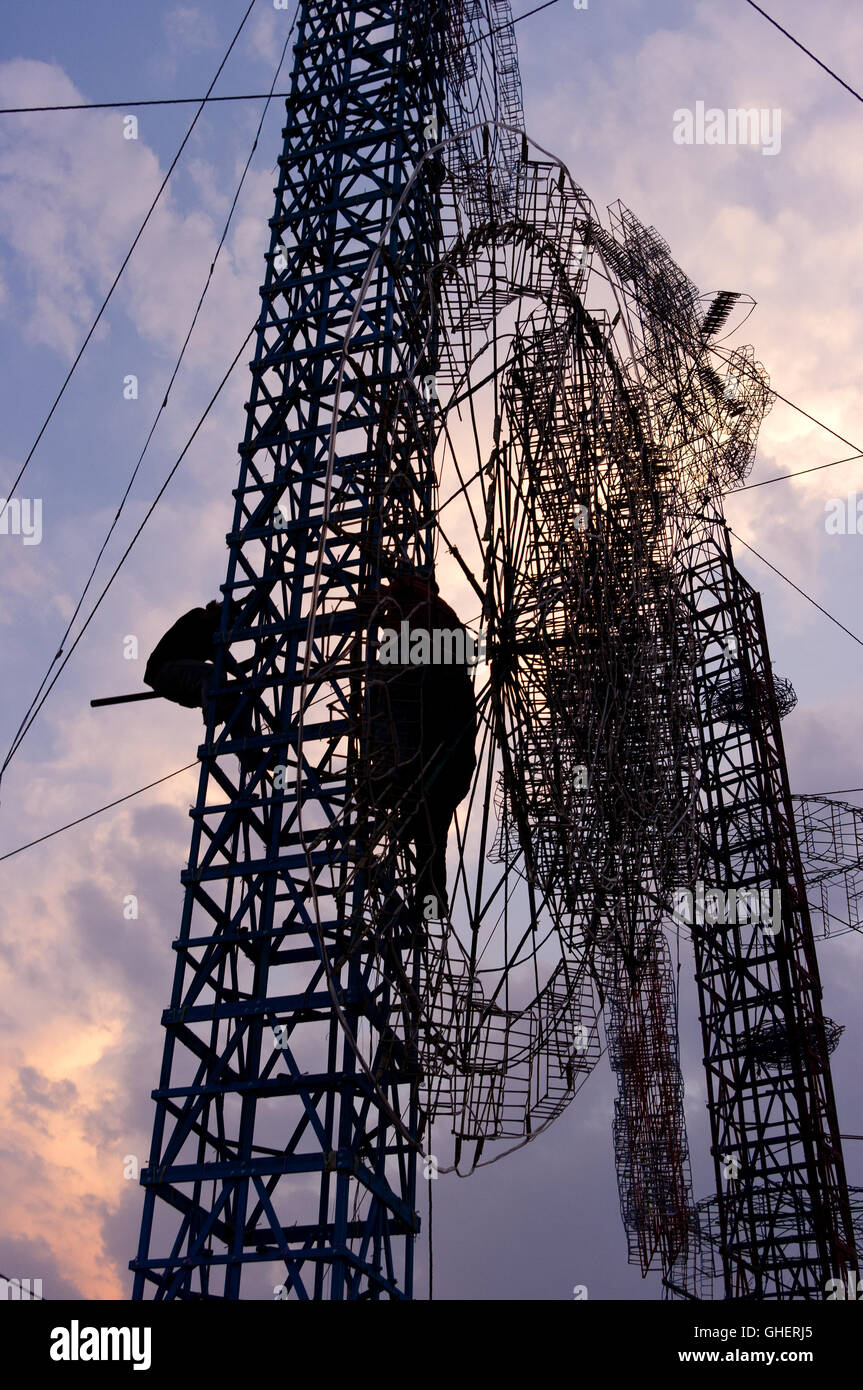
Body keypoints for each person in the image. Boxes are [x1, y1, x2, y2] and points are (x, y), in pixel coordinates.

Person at [363, 568, 478, 917]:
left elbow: (411, 663)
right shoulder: (438, 616)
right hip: (443, 758)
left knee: (428, 836)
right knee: (429, 838)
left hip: (436, 754)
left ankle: (427, 907)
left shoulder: (426, 613)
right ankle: (428, 907)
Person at [144, 599, 241, 726]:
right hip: (163, 670)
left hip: (174, 684)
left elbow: (236, 669)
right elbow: (208, 618)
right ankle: (211, 713)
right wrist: (231, 609)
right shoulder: (198, 614)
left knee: (231, 698)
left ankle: (245, 740)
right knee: (213, 674)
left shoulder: (210, 645)